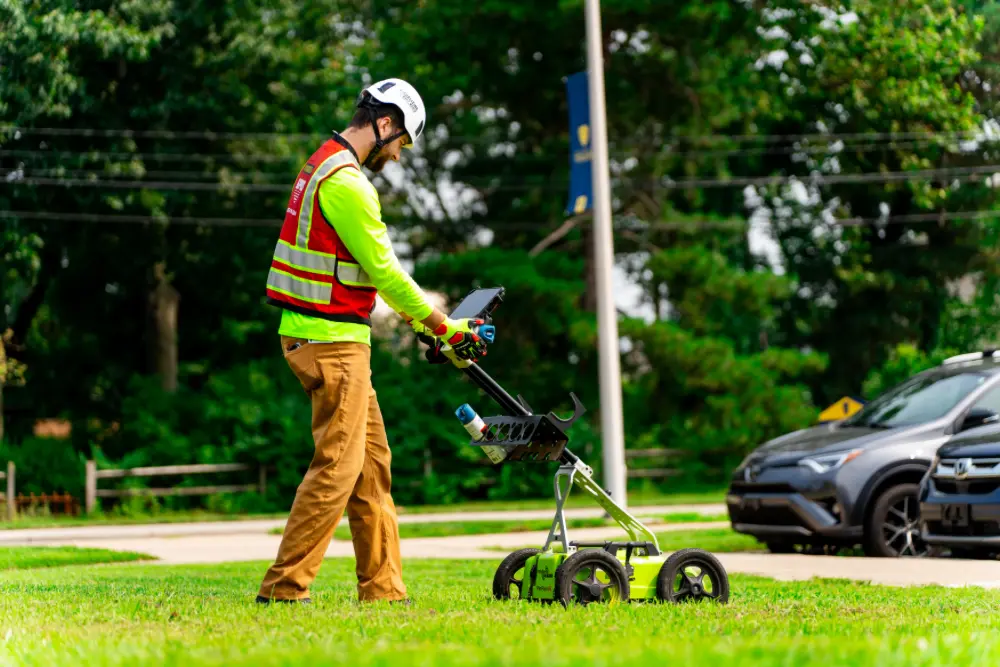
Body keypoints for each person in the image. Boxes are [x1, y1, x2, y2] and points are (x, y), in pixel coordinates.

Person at [256, 78, 489, 605]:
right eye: (401, 142)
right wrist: (444, 326)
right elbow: (386, 272)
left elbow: (359, 273)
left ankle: (384, 591)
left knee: (371, 466)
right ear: (385, 124)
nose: (399, 155)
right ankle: (284, 589)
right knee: (338, 468)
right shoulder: (348, 184)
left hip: (330, 337)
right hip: (330, 343)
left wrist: (420, 321)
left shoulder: (323, 163)